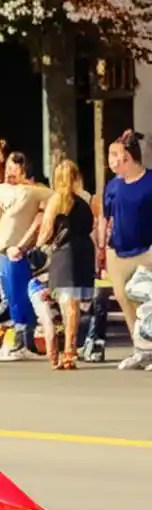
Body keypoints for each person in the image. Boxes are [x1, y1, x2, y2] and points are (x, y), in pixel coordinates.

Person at [0, 152, 52, 361]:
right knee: (9, 296)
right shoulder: (5, 194)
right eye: (8, 167)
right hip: (2, 251)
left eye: (15, 168)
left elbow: (45, 212)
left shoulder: (34, 191)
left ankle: (24, 341)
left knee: (20, 296)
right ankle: (21, 339)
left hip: (18, 252)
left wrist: (24, 244)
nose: (10, 172)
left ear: (25, 170)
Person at [34, 160, 96, 369]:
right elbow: (91, 227)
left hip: (65, 253)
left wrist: (38, 247)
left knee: (65, 303)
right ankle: (70, 348)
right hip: (84, 251)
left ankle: (66, 350)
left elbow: (46, 230)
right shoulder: (84, 201)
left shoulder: (56, 200)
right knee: (74, 304)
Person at [100, 129, 152, 370]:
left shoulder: (149, 182)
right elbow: (105, 217)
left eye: (114, 154)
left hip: (146, 251)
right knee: (124, 298)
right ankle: (140, 349)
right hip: (117, 252)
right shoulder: (112, 186)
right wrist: (101, 247)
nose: (110, 160)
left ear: (128, 156)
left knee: (145, 300)